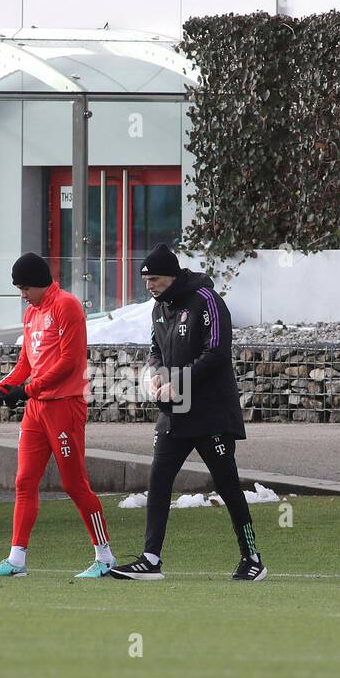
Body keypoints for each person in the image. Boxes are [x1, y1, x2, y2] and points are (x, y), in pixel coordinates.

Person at [109, 243, 266, 582]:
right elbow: (156, 349)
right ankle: (151, 559)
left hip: (210, 412)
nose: (150, 287)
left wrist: (178, 381)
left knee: (227, 485)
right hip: (174, 413)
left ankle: (252, 557)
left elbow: (217, 353)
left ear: (173, 276)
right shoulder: (158, 309)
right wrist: (156, 374)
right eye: (146, 281)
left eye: (156, 280)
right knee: (159, 480)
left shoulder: (206, 300)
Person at [0, 252, 114, 579]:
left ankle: (105, 557)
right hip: (37, 410)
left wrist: (26, 390)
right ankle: (16, 561)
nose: (22, 295)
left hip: (64, 407)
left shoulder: (66, 306)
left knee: (74, 484)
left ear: (39, 284)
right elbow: (26, 362)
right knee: (24, 481)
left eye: (25, 288)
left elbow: (69, 361)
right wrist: (1, 388)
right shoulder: (32, 313)